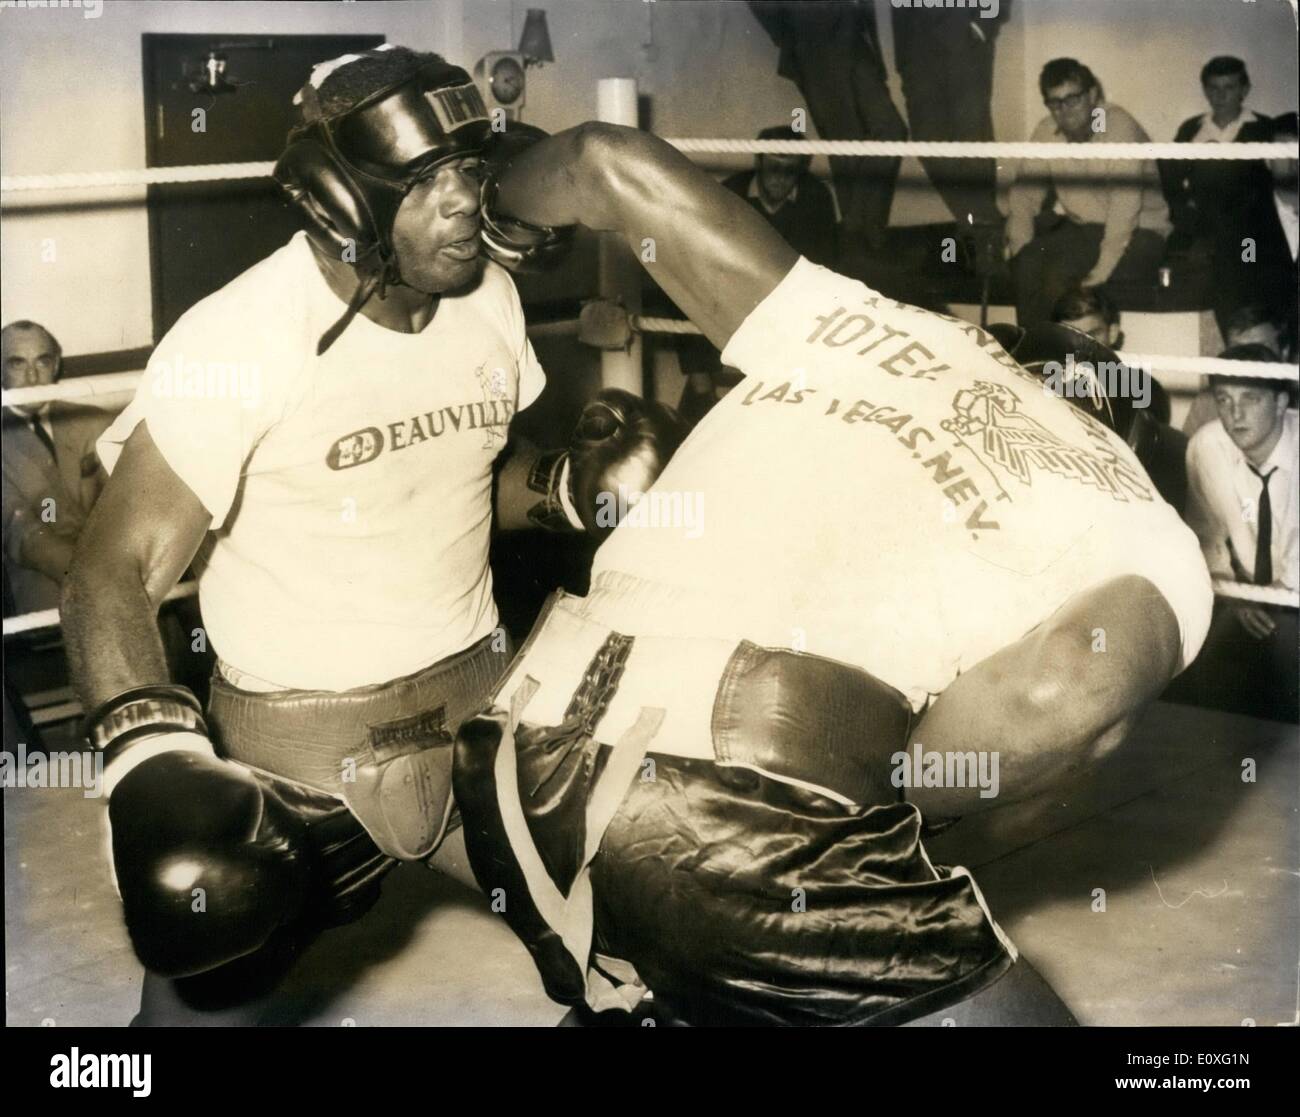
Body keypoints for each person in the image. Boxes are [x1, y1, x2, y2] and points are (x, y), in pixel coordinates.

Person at [452, 121, 1214, 1026]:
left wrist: (485, 212)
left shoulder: (867, 324)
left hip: (513, 758)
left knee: (706, 964)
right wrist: (889, 787)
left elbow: (602, 163)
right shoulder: (1138, 511)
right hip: (746, 810)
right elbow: (1064, 691)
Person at [60, 47, 681, 1026]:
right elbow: (112, 569)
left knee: (649, 951)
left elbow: (479, 470)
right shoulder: (242, 338)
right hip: (305, 761)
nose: (462, 203)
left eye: (471, 171)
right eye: (424, 180)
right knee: (183, 1023)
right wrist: (149, 757)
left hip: (482, 709)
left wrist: (566, 488)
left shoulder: (489, 298)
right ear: (338, 201)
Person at [676, 126, 839, 425]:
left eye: (790, 171)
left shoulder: (815, 198)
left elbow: (822, 269)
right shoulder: (729, 193)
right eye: (774, 167)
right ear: (758, 162)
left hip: (787, 297)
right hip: (731, 291)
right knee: (684, 284)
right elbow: (702, 263)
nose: (780, 177)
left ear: (801, 170)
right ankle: (699, 396)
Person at [1007, 59, 1168, 328]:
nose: (1065, 112)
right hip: (1086, 232)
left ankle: (1062, 362)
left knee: (1059, 275)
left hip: (1142, 233)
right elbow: (1024, 197)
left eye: (1073, 99)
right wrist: (1022, 255)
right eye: (1055, 103)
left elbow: (1123, 210)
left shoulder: (1118, 128)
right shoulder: (1046, 131)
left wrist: (1100, 273)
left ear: (1093, 95)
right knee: (1029, 263)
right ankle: (1031, 362)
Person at [1183, 359, 1298, 722]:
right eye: (1224, 399)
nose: (1235, 414)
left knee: (1287, 663)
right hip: (1246, 591)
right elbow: (1205, 535)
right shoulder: (1208, 446)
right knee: (1205, 665)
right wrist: (1234, 592)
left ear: (1281, 402)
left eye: (1250, 398)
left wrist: (1272, 598)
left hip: (1293, 589)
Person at [1159, 60, 1284, 333]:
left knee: (1246, 272)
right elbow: (1169, 175)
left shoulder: (1264, 128)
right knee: (1203, 278)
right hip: (1204, 228)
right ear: (1205, 90)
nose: (1221, 95)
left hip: (1251, 232)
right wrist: (1185, 212)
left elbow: (1277, 182)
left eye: (1229, 87)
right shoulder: (1192, 129)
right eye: (1214, 88)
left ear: (1244, 89)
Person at [2, 321, 113, 616]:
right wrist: (97, 579)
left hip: (112, 553)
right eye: (17, 363)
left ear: (56, 365)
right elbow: (22, 532)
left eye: (42, 361)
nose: (32, 377)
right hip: (41, 571)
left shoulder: (94, 420)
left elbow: (127, 499)